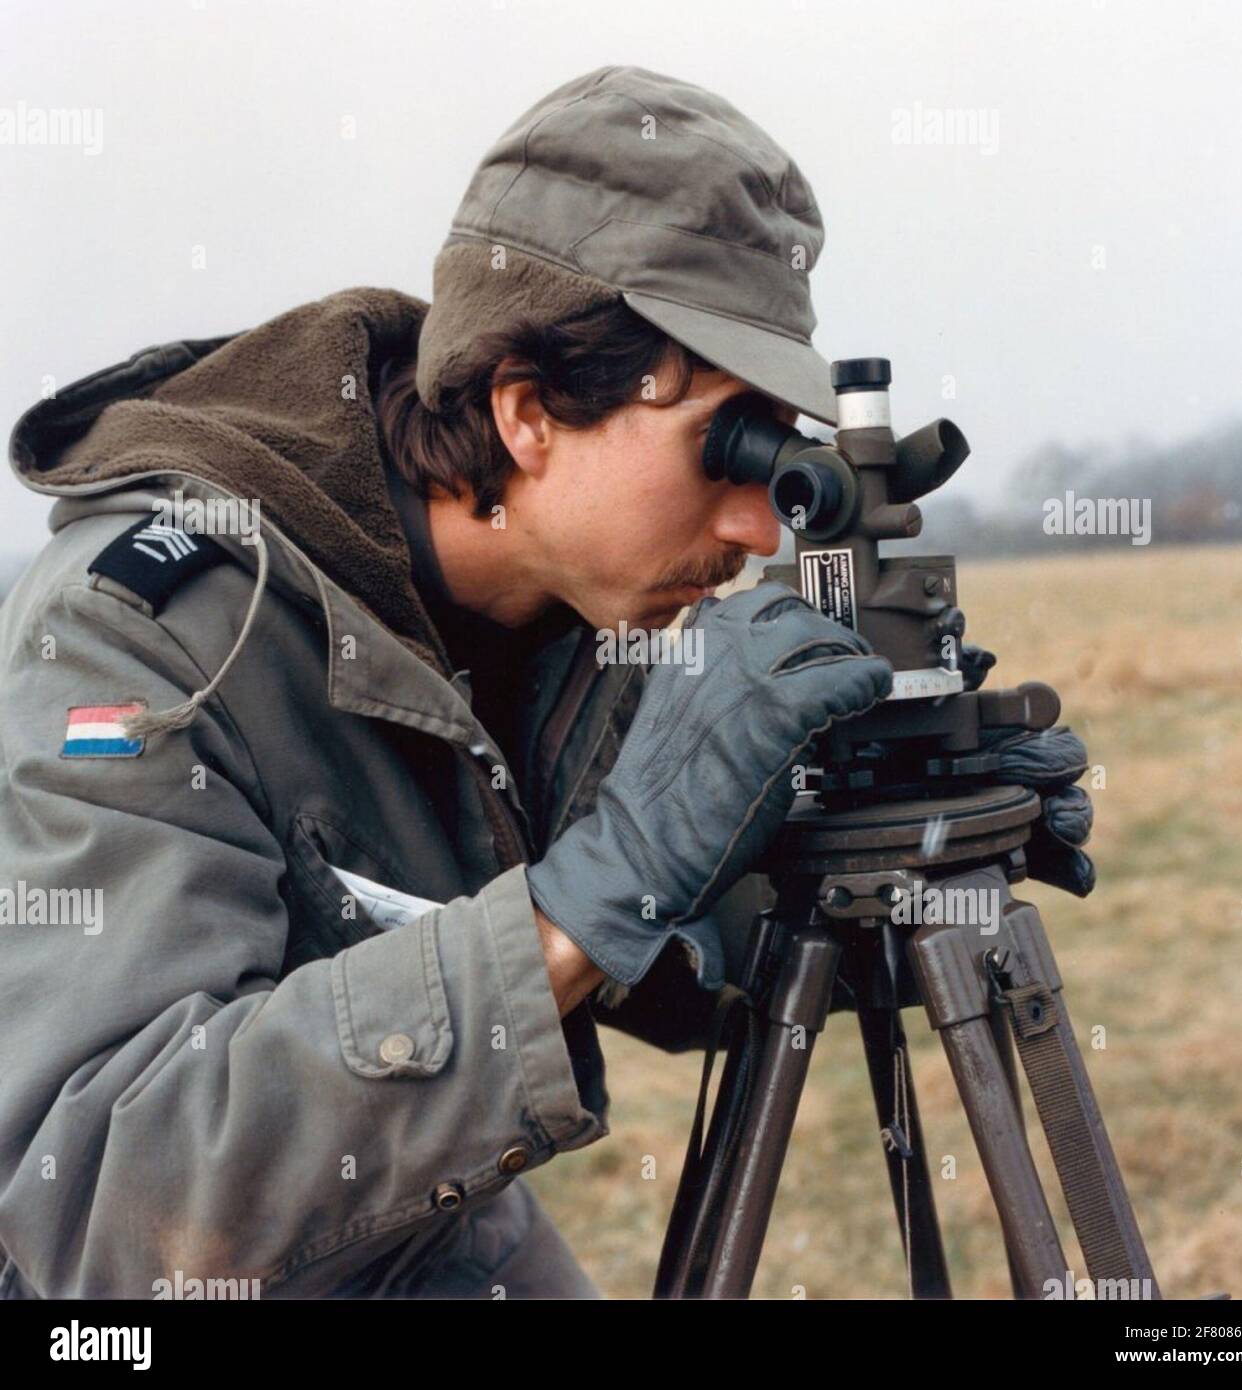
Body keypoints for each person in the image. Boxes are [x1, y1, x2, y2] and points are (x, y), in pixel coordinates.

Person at [0, 65, 1091, 1300]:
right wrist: (589, 891)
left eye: (774, 454)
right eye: (722, 446)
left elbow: (672, 947)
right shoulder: (142, 635)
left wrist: (874, 843)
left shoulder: (576, 609)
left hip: (420, 1240)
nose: (754, 527)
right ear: (526, 413)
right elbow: (100, 1209)